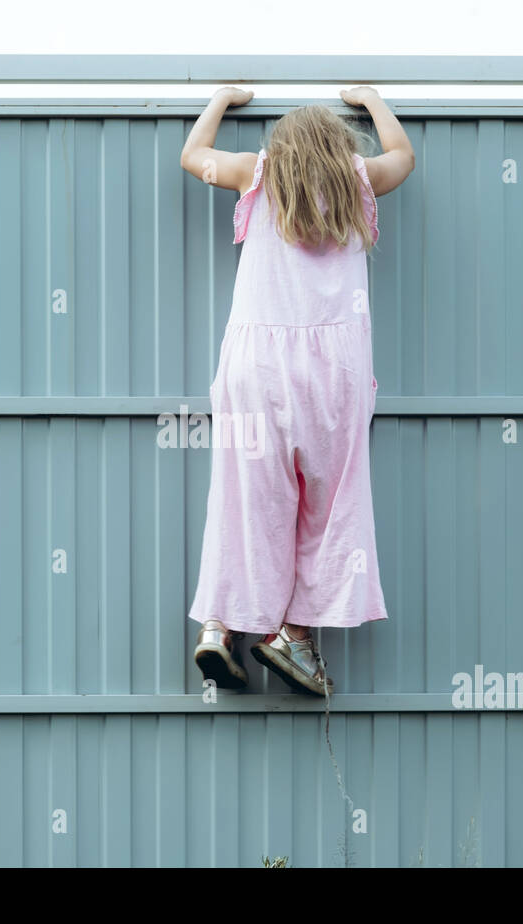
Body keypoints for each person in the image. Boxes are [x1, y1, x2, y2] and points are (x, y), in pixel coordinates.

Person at [179, 85, 416, 696]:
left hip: (253, 362)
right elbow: (404, 156)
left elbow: (192, 154)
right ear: (338, 145)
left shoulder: (256, 177)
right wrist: (372, 100)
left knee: (244, 497)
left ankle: (218, 627)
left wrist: (222, 99)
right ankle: (295, 637)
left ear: (278, 146)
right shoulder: (356, 180)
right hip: (332, 366)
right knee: (329, 504)